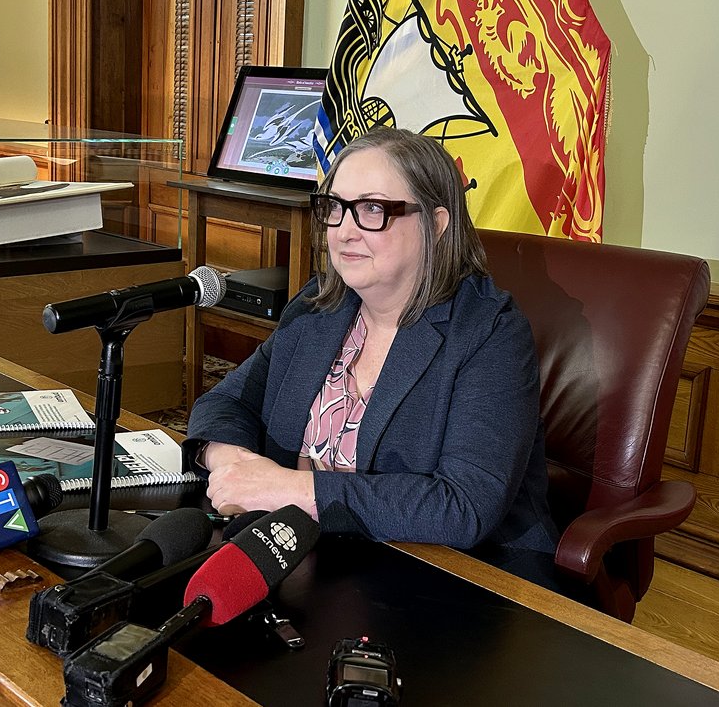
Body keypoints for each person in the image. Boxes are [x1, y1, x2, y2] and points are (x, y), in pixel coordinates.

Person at [185, 127, 558, 560]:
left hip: (455, 575)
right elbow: (225, 402)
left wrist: (289, 488)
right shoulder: (318, 305)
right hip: (311, 552)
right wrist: (230, 461)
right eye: (336, 208)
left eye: (372, 209)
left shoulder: (491, 334)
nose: (344, 231)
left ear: (436, 225)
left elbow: (464, 506)